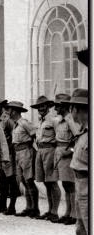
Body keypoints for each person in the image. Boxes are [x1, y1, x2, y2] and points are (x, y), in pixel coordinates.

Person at [58, 89, 88, 235]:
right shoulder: (84, 131)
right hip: (81, 186)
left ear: (80, 109)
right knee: (81, 232)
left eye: (73, 108)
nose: (71, 113)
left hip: (88, 186)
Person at [7, 101, 38, 216]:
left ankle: (35, 208)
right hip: (18, 153)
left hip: (26, 152)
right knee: (23, 181)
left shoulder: (24, 123)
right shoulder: (15, 124)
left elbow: (35, 134)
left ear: (14, 111)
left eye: (9, 110)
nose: (8, 112)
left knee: (29, 180)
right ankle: (29, 207)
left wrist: (35, 151)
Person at [32, 95, 60, 221]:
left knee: (52, 181)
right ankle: (49, 210)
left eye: (43, 106)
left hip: (50, 150)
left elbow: (59, 137)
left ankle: (55, 212)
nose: (41, 109)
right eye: (39, 107)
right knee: (45, 182)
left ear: (48, 107)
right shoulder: (40, 121)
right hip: (40, 151)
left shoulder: (54, 120)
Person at [53, 93, 80, 225]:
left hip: (68, 156)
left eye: (57, 106)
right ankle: (68, 212)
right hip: (60, 155)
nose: (55, 109)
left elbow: (78, 138)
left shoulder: (70, 120)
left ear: (63, 106)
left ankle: (74, 214)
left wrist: (69, 151)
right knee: (65, 184)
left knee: (71, 185)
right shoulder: (60, 121)